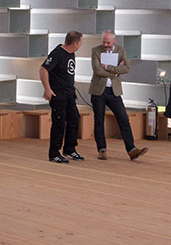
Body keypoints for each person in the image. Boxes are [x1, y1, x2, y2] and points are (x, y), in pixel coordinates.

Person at [88, 30, 147, 161]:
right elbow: (97, 70)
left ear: (114, 41)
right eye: (104, 41)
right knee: (99, 121)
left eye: (108, 42)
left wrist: (108, 67)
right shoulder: (96, 50)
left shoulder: (121, 50)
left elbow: (126, 68)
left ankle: (131, 150)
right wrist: (115, 72)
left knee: (124, 119)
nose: (105, 44)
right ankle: (102, 149)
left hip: (114, 91)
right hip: (98, 91)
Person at [41, 31, 85, 164]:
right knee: (59, 123)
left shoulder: (71, 53)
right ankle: (54, 153)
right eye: (80, 42)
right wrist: (47, 89)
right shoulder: (57, 53)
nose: (80, 45)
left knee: (74, 119)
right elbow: (43, 70)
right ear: (75, 43)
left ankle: (69, 149)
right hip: (58, 94)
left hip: (69, 93)